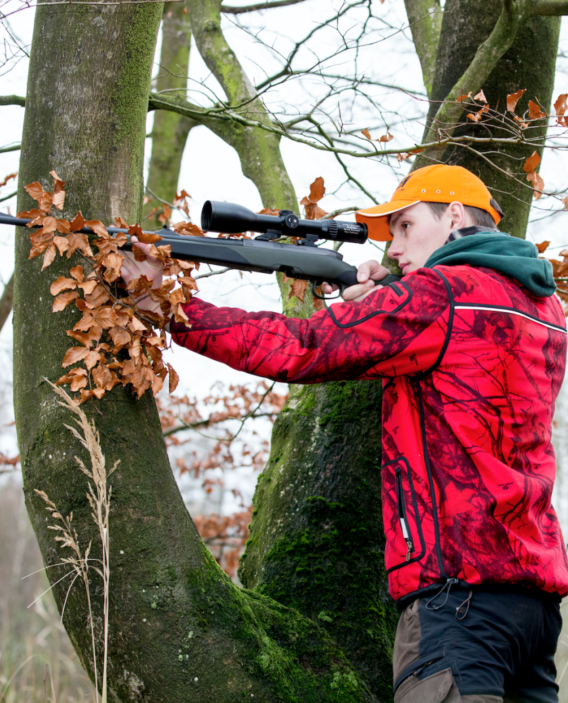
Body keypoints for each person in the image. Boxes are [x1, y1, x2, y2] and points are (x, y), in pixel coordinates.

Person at [121, 164, 568, 702]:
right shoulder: (546, 307)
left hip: (457, 599)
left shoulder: (437, 296)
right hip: (534, 600)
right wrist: (382, 300)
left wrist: (168, 307)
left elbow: (302, 348)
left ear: (452, 215)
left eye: (404, 226)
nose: (396, 247)